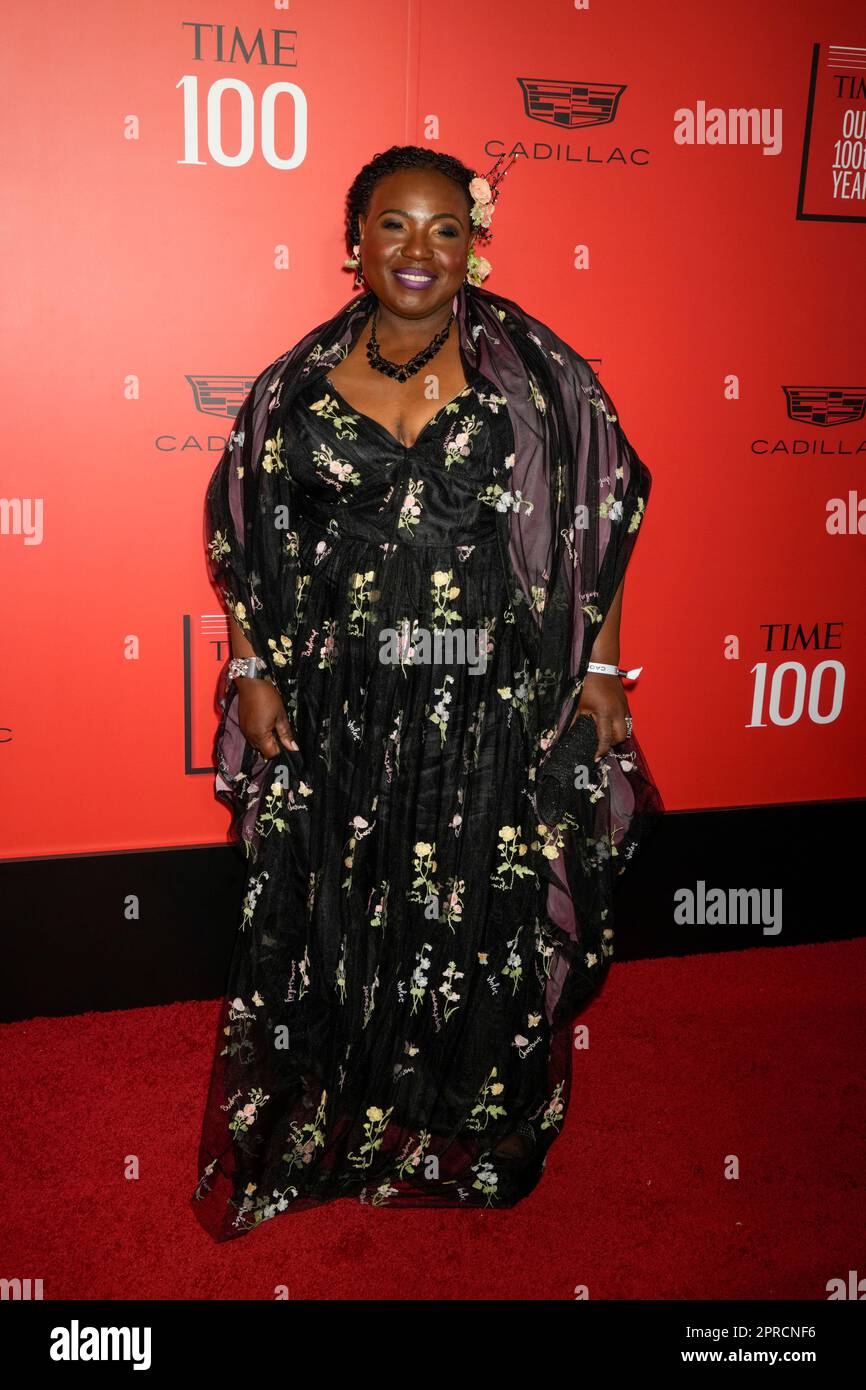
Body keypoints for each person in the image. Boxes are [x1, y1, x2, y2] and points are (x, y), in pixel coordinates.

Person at [191, 144, 663, 1241]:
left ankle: (476, 1111)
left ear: (473, 244)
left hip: (487, 694)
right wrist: (252, 664)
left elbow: (595, 530)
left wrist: (596, 665)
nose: (418, 250)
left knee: (478, 908)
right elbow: (248, 543)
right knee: (343, 904)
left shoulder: (534, 375)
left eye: (444, 227)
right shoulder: (293, 388)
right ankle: (354, 1104)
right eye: (393, 226)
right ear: (351, 242)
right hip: (346, 695)